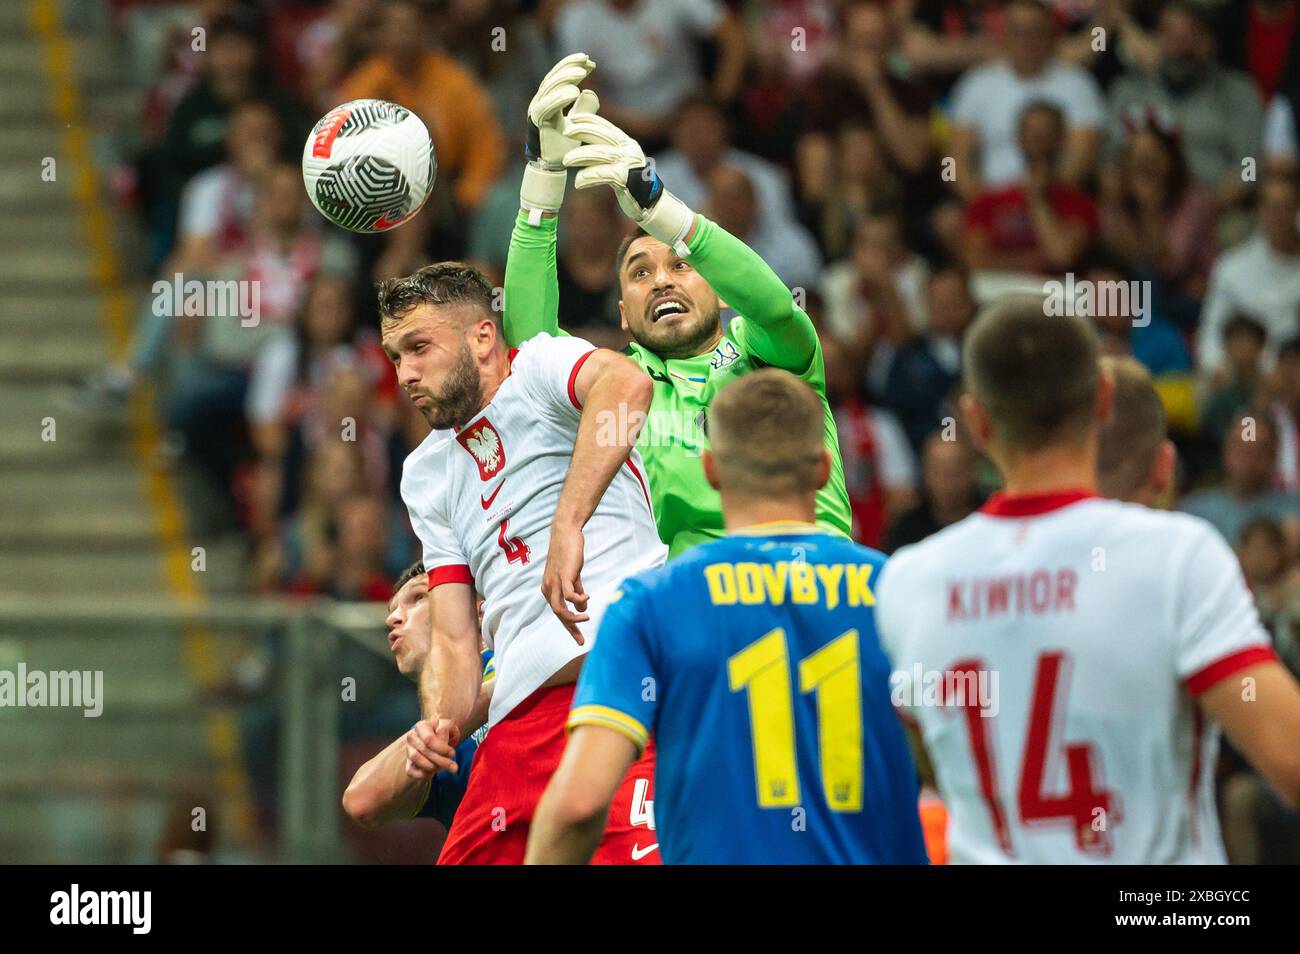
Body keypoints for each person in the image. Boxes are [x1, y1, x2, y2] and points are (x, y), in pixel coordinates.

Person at [875, 295, 1300, 863]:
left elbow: (925, 759)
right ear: (1102, 400)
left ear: (976, 423)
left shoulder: (910, 581)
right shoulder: (1176, 555)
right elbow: (1290, 758)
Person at [525, 369, 930, 864]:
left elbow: (580, 805)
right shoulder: (899, 589)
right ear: (824, 469)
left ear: (712, 469)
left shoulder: (652, 603)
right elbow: (956, 762)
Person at [504, 54, 852, 558]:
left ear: (723, 292)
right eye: (640, 274)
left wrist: (660, 209)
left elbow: (776, 308)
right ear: (623, 314)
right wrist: (542, 178)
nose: (662, 281)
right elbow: (531, 351)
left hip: (813, 591)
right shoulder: (612, 390)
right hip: (689, 611)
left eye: (681, 265)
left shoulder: (765, 354)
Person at [384, 262, 666, 865]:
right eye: (394, 357)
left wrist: (569, 523)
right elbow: (458, 640)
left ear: (482, 337)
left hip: (618, 686)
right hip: (517, 724)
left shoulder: (537, 367)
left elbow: (627, 388)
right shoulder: (424, 474)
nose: (405, 373)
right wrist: (442, 724)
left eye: (418, 348)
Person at [342, 563, 494, 830]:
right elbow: (361, 801)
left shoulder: (516, 658)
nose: (393, 618)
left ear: (479, 609)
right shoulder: (433, 738)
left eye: (418, 598)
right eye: (392, 610)